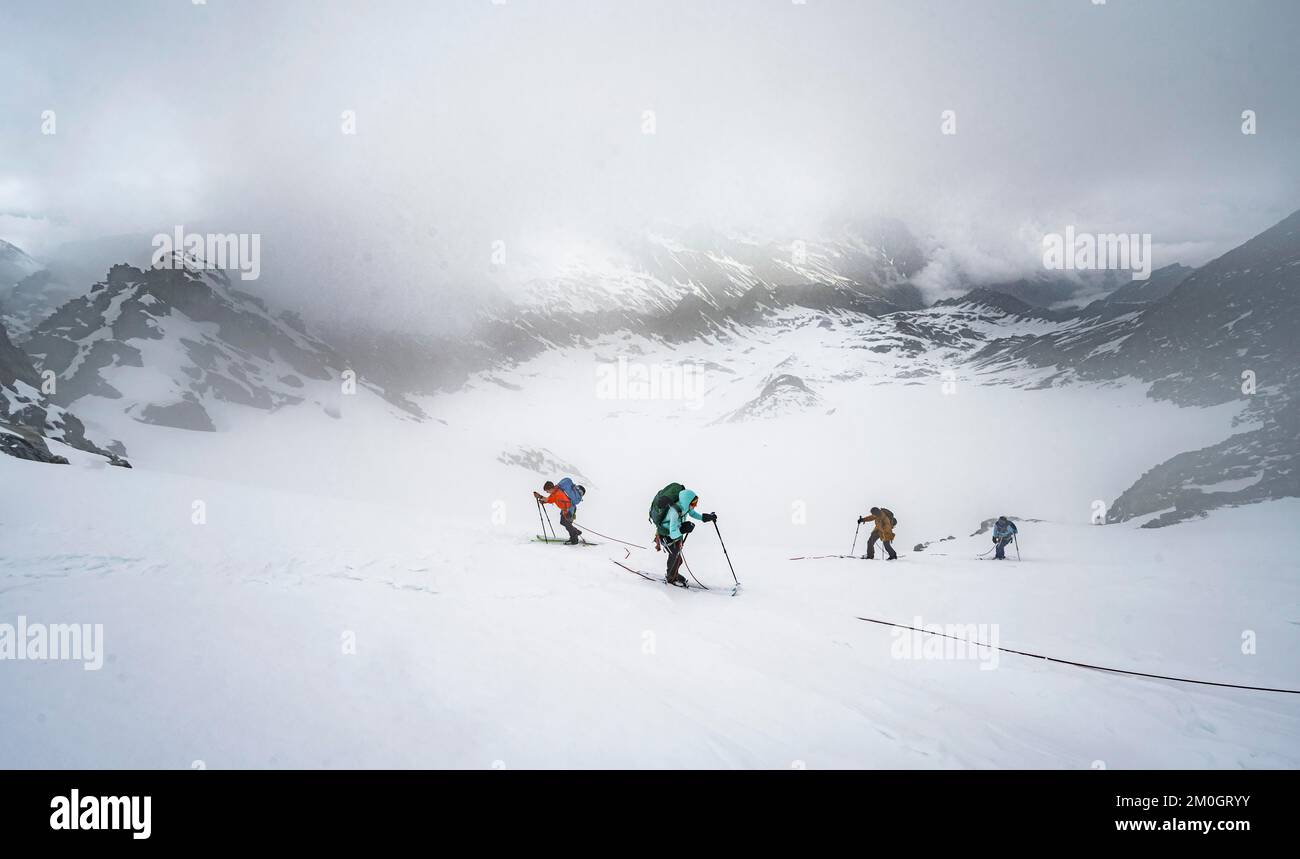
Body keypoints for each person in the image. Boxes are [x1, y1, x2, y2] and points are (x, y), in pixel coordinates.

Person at [649, 483, 716, 586]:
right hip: (665, 535)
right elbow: (672, 534)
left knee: (677, 558)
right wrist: (683, 529)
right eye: (693, 503)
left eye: (695, 503)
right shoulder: (674, 512)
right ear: (687, 501)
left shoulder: (685, 507)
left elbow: (692, 513)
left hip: (676, 534)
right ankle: (671, 578)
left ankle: (673, 574)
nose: (694, 506)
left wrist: (705, 517)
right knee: (675, 556)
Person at [534, 478, 587, 544]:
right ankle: (575, 533)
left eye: (547, 491)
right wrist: (540, 497)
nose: (547, 492)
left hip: (570, 509)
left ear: (550, 489)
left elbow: (567, 503)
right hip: (565, 510)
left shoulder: (558, 493)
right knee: (564, 522)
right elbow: (549, 499)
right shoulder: (555, 492)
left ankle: (574, 539)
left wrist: (568, 513)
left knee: (566, 523)